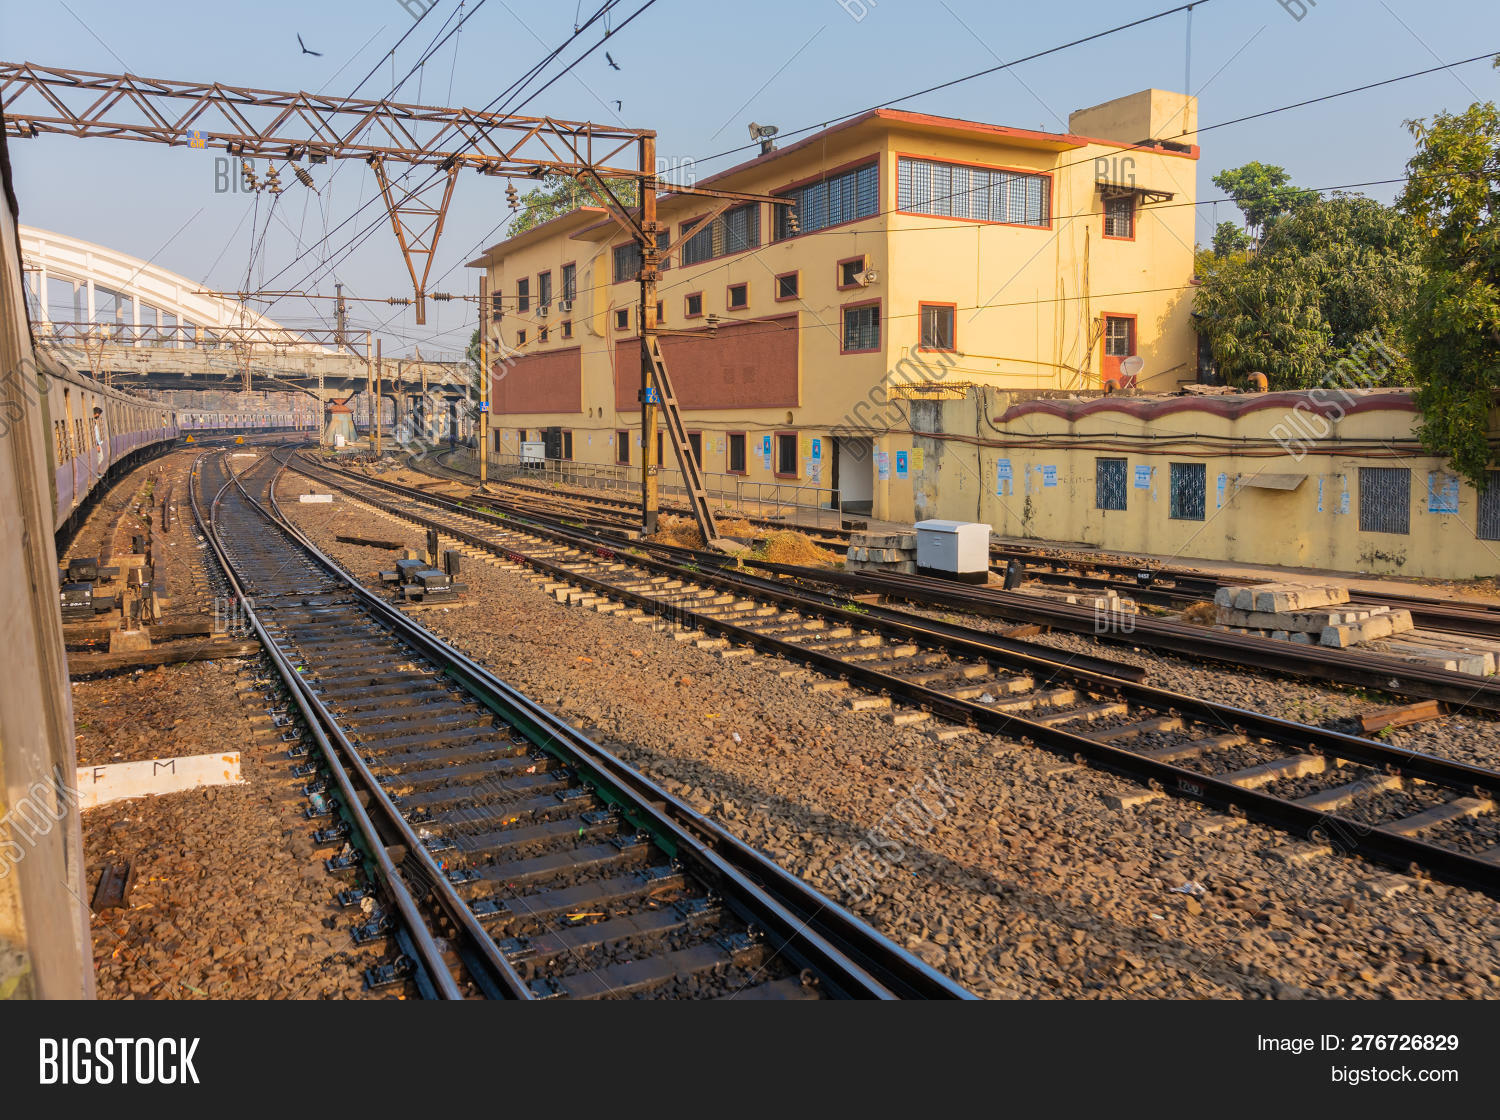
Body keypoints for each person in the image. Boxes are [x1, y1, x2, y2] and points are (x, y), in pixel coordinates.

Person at [91, 406, 105, 471]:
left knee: (101, 457)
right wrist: (97, 445)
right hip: (97, 443)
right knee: (100, 457)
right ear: (96, 413)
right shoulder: (93, 422)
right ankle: (98, 471)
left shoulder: (94, 421)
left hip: (98, 443)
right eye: (98, 414)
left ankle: (99, 471)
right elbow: (94, 434)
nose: (98, 416)